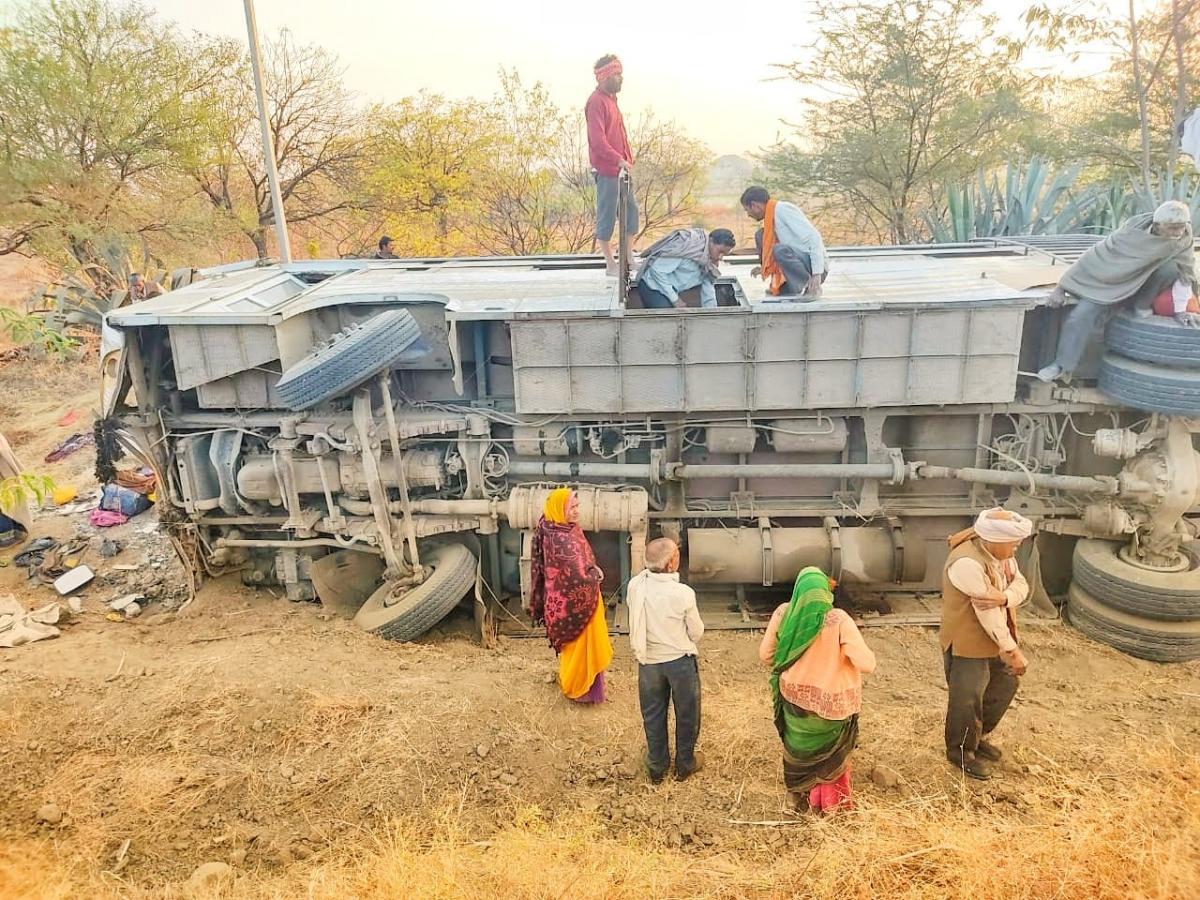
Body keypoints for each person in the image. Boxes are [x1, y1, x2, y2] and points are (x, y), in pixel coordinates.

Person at [1037, 200, 1199, 383]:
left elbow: (1185, 272)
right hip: (1112, 282)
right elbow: (1096, 257)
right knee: (1080, 316)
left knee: (1171, 268)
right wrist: (1062, 288)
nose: (1178, 233)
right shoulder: (1131, 234)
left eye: (1181, 227)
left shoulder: (1183, 237)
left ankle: (1141, 307)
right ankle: (1061, 365)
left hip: (1144, 285)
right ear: (1157, 226)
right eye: (1173, 228)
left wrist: (1181, 310)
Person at [759, 566, 876, 813]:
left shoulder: (783, 613)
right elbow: (867, 665)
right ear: (825, 591)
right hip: (832, 706)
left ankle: (795, 795)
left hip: (793, 700)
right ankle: (826, 804)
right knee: (829, 758)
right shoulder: (839, 620)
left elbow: (766, 656)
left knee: (798, 750)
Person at [940, 508, 1033, 780]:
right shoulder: (966, 563)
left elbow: (1022, 586)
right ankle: (960, 751)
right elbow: (986, 612)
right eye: (1013, 542)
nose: (1018, 547)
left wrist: (1005, 597)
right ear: (993, 539)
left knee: (1005, 685)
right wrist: (1012, 651)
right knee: (967, 698)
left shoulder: (1003, 558)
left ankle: (977, 737)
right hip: (968, 641)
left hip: (996, 637)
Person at [627, 537, 705, 783]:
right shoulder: (683, 594)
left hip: (649, 663)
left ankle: (657, 767)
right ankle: (685, 765)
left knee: (653, 714)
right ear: (672, 562)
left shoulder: (635, 587)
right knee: (686, 714)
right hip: (679, 663)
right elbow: (696, 632)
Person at [528, 488, 613, 703]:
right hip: (575, 604)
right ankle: (579, 690)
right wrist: (594, 575)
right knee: (580, 646)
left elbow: (581, 562)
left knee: (581, 647)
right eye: (572, 507)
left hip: (575, 600)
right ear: (560, 509)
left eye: (577, 506)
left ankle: (585, 687)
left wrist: (592, 569)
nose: (576, 511)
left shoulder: (561, 528)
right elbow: (574, 574)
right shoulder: (559, 537)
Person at [585, 54, 637, 277]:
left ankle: (628, 257)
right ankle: (610, 264)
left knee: (631, 215)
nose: (621, 78)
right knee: (607, 218)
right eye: (616, 74)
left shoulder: (612, 101)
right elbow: (597, 141)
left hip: (622, 170)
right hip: (608, 171)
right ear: (604, 77)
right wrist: (617, 159)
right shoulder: (596, 102)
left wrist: (627, 160)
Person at [740, 186, 829, 298]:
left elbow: (814, 238)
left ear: (755, 205)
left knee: (779, 249)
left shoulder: (783, 210)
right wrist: (764, 268)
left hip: (816, 270)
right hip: (801, 264)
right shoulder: (772, 217)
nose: (748, 214)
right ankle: (789, 285)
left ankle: (811, 288)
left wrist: (817, 274)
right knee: (760, 235)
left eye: (747, 210)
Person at [634, 228, 736, 309]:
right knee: (667, 320)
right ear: (711, 241)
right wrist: (675, 300)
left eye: (724, 254)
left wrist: (712, 314)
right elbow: (656, 271)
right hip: (652, 286)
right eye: (720, 252)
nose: (720, 257)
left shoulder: (709, 261)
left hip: (671, 289)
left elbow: (708, 290)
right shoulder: (687, 247)